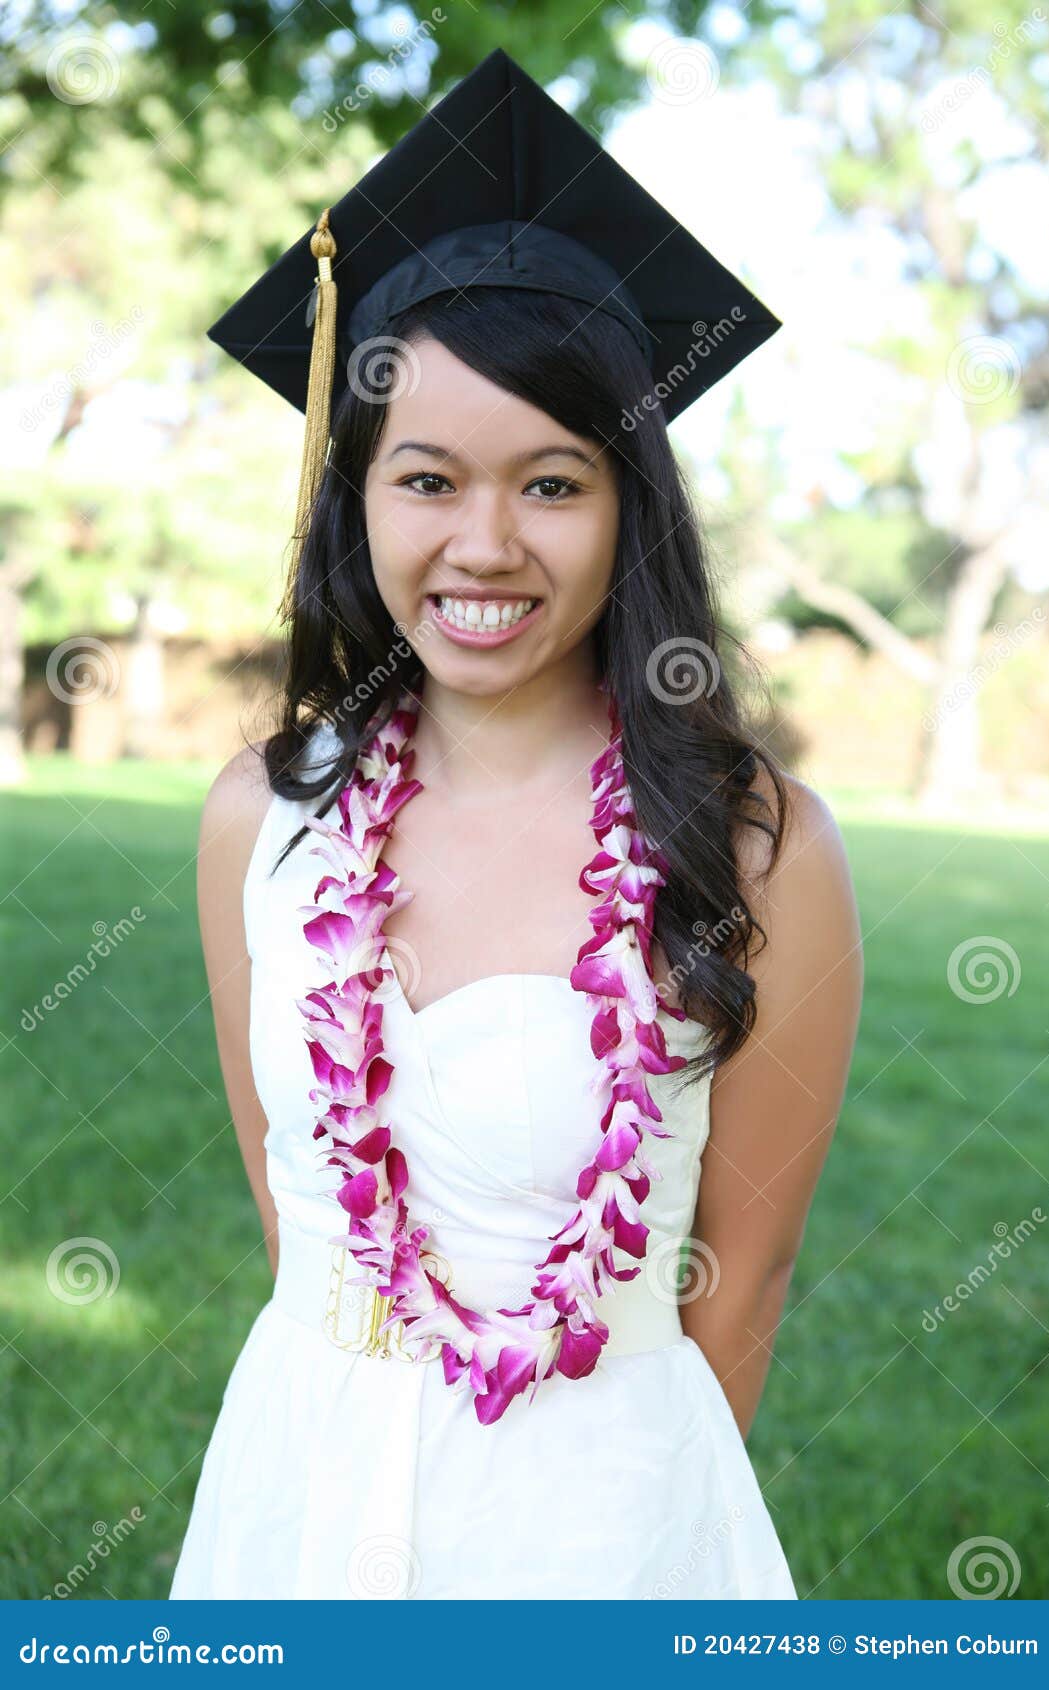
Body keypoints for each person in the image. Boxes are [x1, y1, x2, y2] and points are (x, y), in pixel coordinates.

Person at [170, 48, 863, 1600]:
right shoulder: (261, 821)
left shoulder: (758, 848)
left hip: (610, 1526)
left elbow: (738, 1287)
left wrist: (609, 1540)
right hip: (299, 1490)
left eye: (553, 483)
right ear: (358, 497)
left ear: (631, 507)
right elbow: (298, 1211)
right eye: (426, 478)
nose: (483, 543)